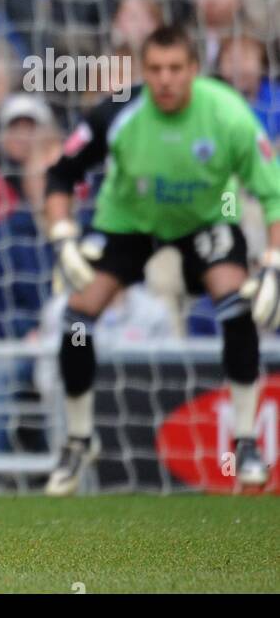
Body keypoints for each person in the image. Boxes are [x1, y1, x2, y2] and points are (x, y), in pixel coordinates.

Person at [43, 25, 280, 495]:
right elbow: (60, 173)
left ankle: (247, 440)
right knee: (76, 317)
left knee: (237, 306)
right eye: (155, 69)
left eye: (176, 69)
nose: (166, 80)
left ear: (194, 69)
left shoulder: (230, 115)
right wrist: (64, 236)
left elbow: (272, 196)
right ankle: (78, 438)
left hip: (208, 219)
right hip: (130, 221)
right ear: (143, 71)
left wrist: (274, 263)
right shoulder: (117, 114)